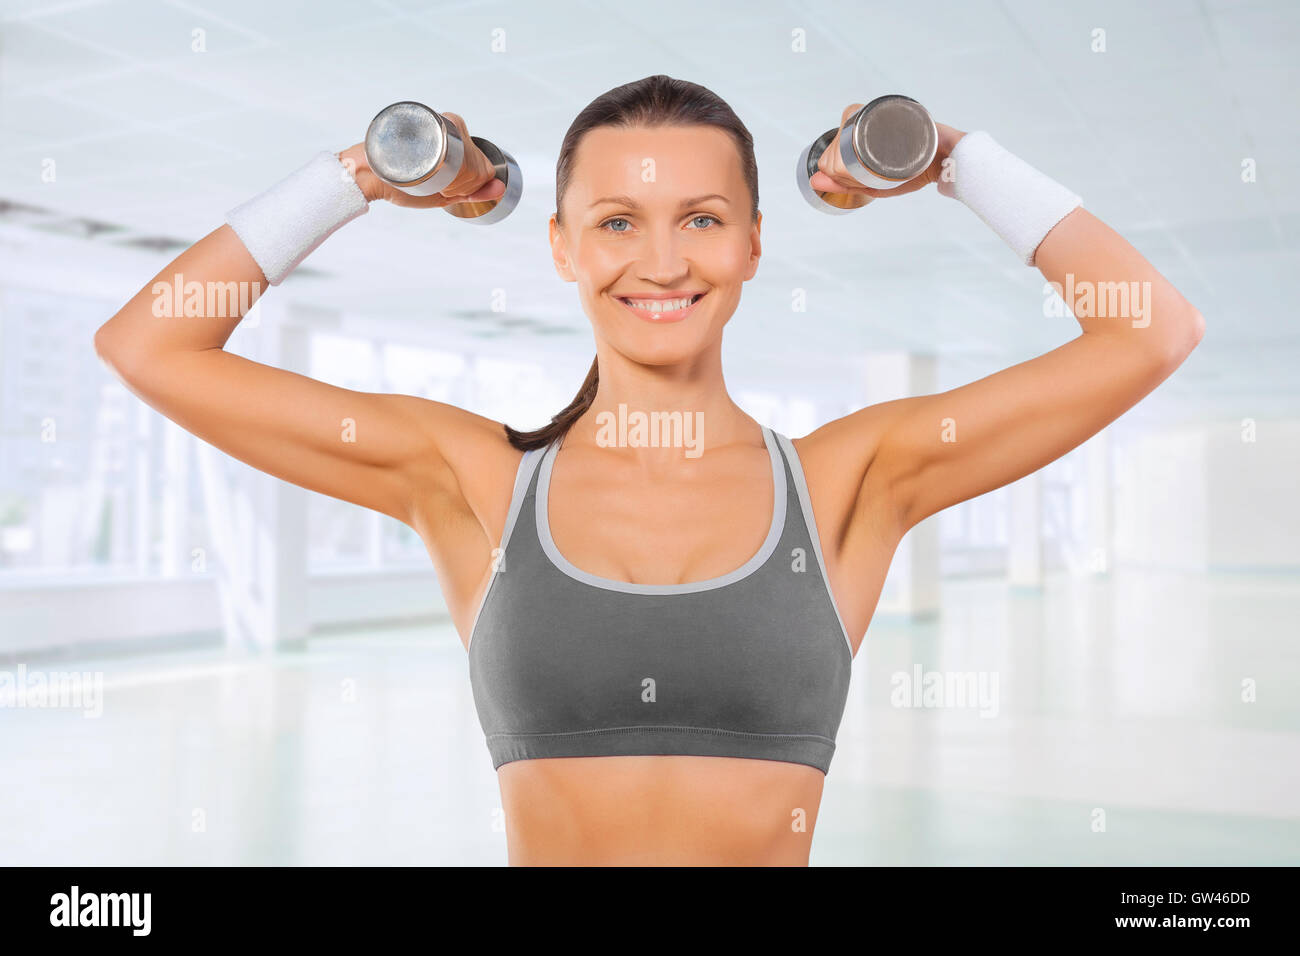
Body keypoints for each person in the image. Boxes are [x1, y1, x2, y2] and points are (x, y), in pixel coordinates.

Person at [93, 75, 1204, 866]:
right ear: (564, 247)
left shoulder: (847, 484)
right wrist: (365, 173)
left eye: (703, 219)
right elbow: (150, 345)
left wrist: (952, 158)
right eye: (618, 220)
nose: (663, 260)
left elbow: (1148, 330)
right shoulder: (471, 479)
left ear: (754, 244)